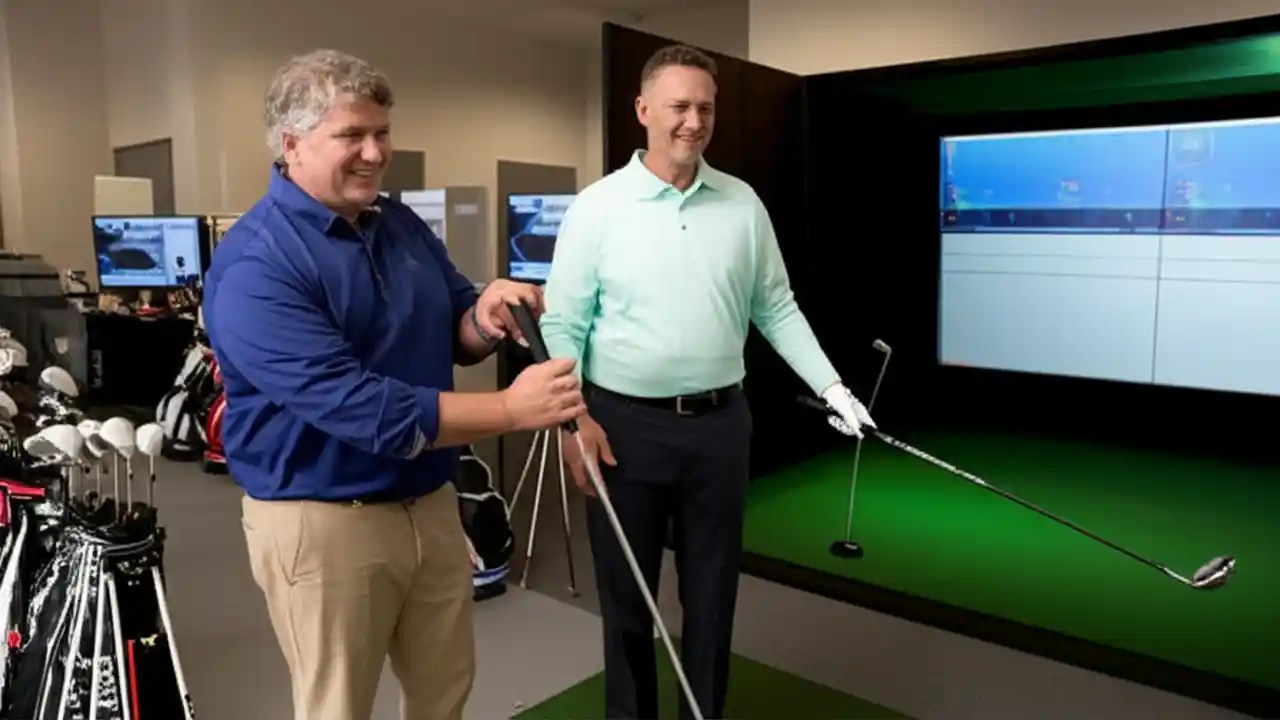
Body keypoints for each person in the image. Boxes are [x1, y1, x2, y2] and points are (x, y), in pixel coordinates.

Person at [202, 49, 586, 720]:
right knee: (338, 707)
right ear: (291, 145)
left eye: (382, 133)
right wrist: (508, 410)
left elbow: (454, 328)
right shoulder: (256, 264)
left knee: (443, 691)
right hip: (323, 520)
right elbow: (362, 409)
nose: (376, 153)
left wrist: (485, 316)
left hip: (427, 500)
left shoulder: (398, 223)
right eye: (352, 136)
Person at [539, 44, 876, 719]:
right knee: (627, 601)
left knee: (713, 596)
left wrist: (834, 389)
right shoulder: (597, 207)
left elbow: (776, 308)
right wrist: (574, 422)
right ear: (643, 110)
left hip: (721, 430)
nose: (694, 122)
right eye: (679, 107)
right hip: (620, 429)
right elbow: (563, 325)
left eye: (706, 108)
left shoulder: (743, 204)